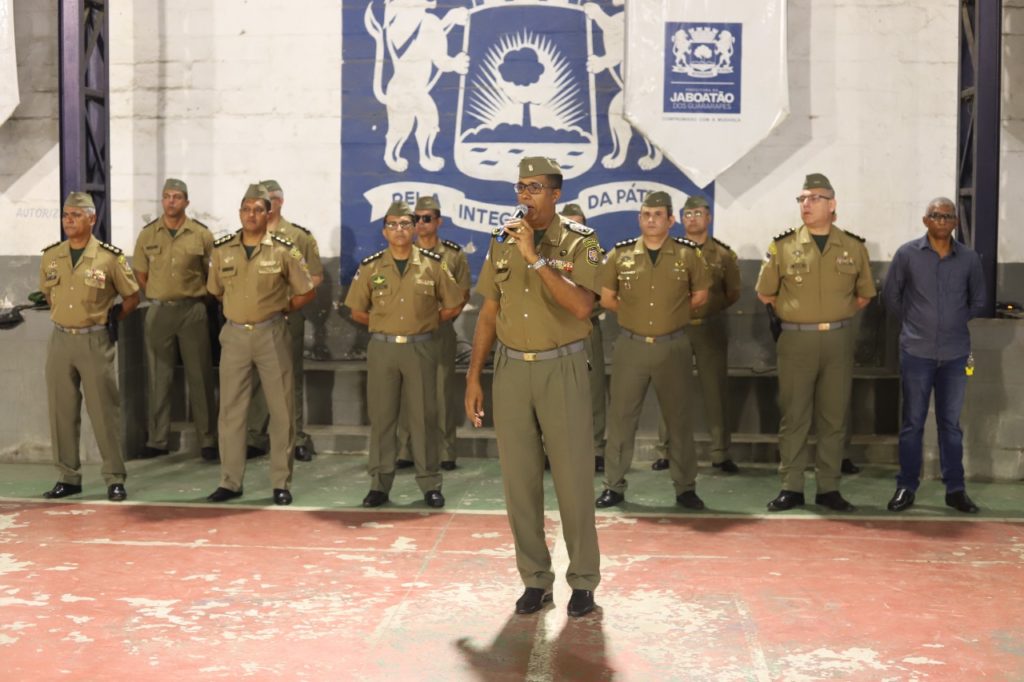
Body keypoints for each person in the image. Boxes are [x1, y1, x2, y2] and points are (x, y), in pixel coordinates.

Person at [465, 156, 603, 619]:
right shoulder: (501, 240)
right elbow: (489, 312)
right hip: (511, 370)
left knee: (573, 481)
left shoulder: (581, 242)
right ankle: (535, 579)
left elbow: (582, 306)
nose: (525, 195)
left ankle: (582, 581)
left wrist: (536, 258)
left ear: (556, 194)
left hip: (561, 368)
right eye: (521, 187)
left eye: (535, 187)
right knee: (519, 483)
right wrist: (474, 376)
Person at [755, 173, 876, 512]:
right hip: (796, 341)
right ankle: (791, 487)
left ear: (832, 204)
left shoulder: (853, 247)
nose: (806, 204)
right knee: (794, 417)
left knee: (833, 418)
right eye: (802, 199)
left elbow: (865, 295)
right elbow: (765, 293)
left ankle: (828, 488)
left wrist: (834, 315)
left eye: (814, 198)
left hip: (838, 340)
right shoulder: (783, 246)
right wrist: (800, 314)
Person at [344, 200, 464, 508]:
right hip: (383, 349)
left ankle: (430, 483)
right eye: (393, 225)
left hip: (421, 347)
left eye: (405, 224)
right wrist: (383, 324)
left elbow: (453, 304)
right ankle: (379, 484)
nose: (399, 230)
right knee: (382, 418)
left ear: (414, 229)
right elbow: (356, 310)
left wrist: (425, 322)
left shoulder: (433, 265)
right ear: (385, 231)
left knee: (424, 417)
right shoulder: (371, 267)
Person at [594, 192, 711, 510]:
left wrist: (670, 315)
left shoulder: (688, 255)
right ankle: (613, 486)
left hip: (673, 346)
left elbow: (701, 295)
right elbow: (607, 298)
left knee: (679, 420)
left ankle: (685, 487)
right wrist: (635, 316)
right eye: (646, 214)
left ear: (671, 220)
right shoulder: (620, 255)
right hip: (631, 346)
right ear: (639, 218)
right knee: (621, 419)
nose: (651, 220)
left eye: (658, 214)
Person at [205, 184, 315, 505]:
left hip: (272, 334)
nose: (251, 215)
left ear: (268, 214)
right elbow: (216, 290)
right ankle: (230, 481)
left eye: (257, 209)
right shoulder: (222, 250)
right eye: (246, 209)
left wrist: (282, 309)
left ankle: (281, 482)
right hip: (235, 335)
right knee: (231, 411)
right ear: (239, 213)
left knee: (281, 410)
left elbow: (306, 291)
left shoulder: (284, 250)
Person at [881, 197, 986, 514]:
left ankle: (955, 490)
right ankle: (906, 487)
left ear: (955, 222)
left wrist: (952, 322)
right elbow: (891, 296)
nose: (942, 220)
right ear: (925, 220)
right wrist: (916, 324)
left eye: (948, 216)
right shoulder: (907, 254)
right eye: (936, 215)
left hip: (955, 354)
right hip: (917, 352)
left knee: (950, 425)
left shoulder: (968, 259)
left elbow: (979, 300)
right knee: (913, 422)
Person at [39, 192, 140, 501]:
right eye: (65, 215)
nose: (68, 220)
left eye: (76, 215)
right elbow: (49, 295)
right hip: (60, 340)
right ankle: (68, 477)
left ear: (92, 219)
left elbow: (132, 297)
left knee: (104, 411)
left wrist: (111, 319)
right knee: (61, 411)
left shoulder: (109, 258)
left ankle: (115, 478)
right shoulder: (51, 256)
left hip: (95, 341)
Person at [651, 195, 741, 474]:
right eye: (687, 214)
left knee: (715, 392)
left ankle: (720, 453)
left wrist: (710, 308)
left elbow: (732, 293)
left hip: (710, 329)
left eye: (698, 213)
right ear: (680, 219)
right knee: (670, 388)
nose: (692, 218)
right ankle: (666, 451)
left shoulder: (723, 255)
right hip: (676, 328)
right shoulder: (671, 251)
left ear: (708, 217)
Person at [132, 178, 218, 461]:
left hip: (193, 311)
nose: (171, 201)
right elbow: (140, 272)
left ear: (186, 202)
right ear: (162, 200)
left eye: (177, 197)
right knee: (159, 377)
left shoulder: (201, 234)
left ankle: (208, 439)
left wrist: (201, 299)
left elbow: (214, 273)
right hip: (160, 312)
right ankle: (157, 440)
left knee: (200, 376)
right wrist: (157, 293)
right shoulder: (148, 235)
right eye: (167, 196)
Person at [245, 179, 324, 462]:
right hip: (254, 318)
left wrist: (291, 301)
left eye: (270, 201)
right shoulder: (246, 236)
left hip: (288, 315)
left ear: (279, 202)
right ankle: (255, 436)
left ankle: (295, 437)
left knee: (290, 378)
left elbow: (315, 277)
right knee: (255, 377)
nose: (264, 208)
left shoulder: (298, 237)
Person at [394, 195, 471, 471]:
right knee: (408, 392)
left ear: (438, 221)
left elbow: (462, 294)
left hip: (440, 330)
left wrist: (440, 318)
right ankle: (406, 450)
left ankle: (446, 452)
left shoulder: (453, 254)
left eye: (427, 218)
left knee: (441, 392)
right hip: (409, 332)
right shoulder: (403, 252)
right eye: (416, 218)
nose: (421, 223)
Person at [560, 203, 607, 473]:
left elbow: (602, 295)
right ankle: (550, 449)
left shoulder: (594, 255)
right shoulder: (545, 256)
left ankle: (596, 449)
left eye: (578, 224)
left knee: (592, 392)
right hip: (554, 330)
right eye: (568, 224)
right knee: (552, 392)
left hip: (586, 329)